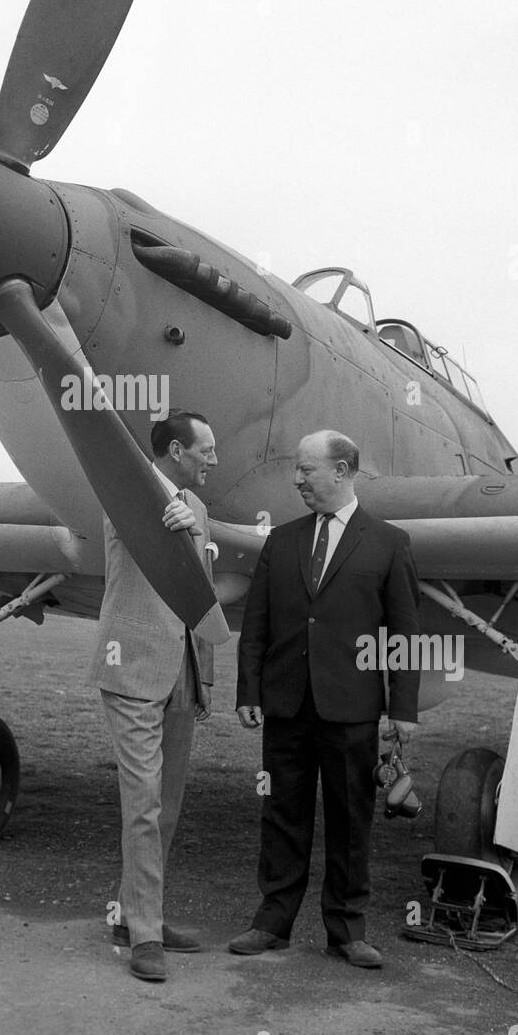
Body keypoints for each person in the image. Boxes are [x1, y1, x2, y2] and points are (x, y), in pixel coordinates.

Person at [229, 430, 420, 968]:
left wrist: (401, 709)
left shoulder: (389, 543)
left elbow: (403, 634)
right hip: (286, 706)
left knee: (350, 820)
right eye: (297, 470)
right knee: (281, 815)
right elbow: (257, 625)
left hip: (352, 710)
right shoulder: (282, 541)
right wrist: (250, 691)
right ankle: (272, 922)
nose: (297, 479)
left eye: (307, 470)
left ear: (342, 471)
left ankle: (346, 930)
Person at [91, 409, 219, 982]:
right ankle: (144, 934)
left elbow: (203, 596)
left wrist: (206, 677)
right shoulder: (129, 495)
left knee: (165, 805)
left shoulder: (198, 511)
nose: (213, 459)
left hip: (182, 675)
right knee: (142, 805)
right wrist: (161, 524)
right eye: (205, 450)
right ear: (174, 451)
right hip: (135, 672)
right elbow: (133, 544)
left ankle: (138, 914)